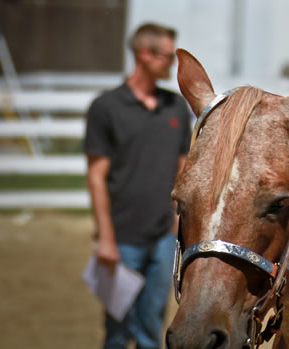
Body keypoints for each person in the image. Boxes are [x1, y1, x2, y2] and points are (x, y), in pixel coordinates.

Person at [85, 23, 191, 349]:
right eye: (168, 56)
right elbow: (96, 176)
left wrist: (178, 224)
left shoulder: (176, 107)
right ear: (145, 55)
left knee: (151, 327)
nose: (173, 64)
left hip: (163, 237)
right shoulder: (106, 108)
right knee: (117, 331)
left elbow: (184, 169)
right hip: (121, 239)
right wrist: (105, 238)